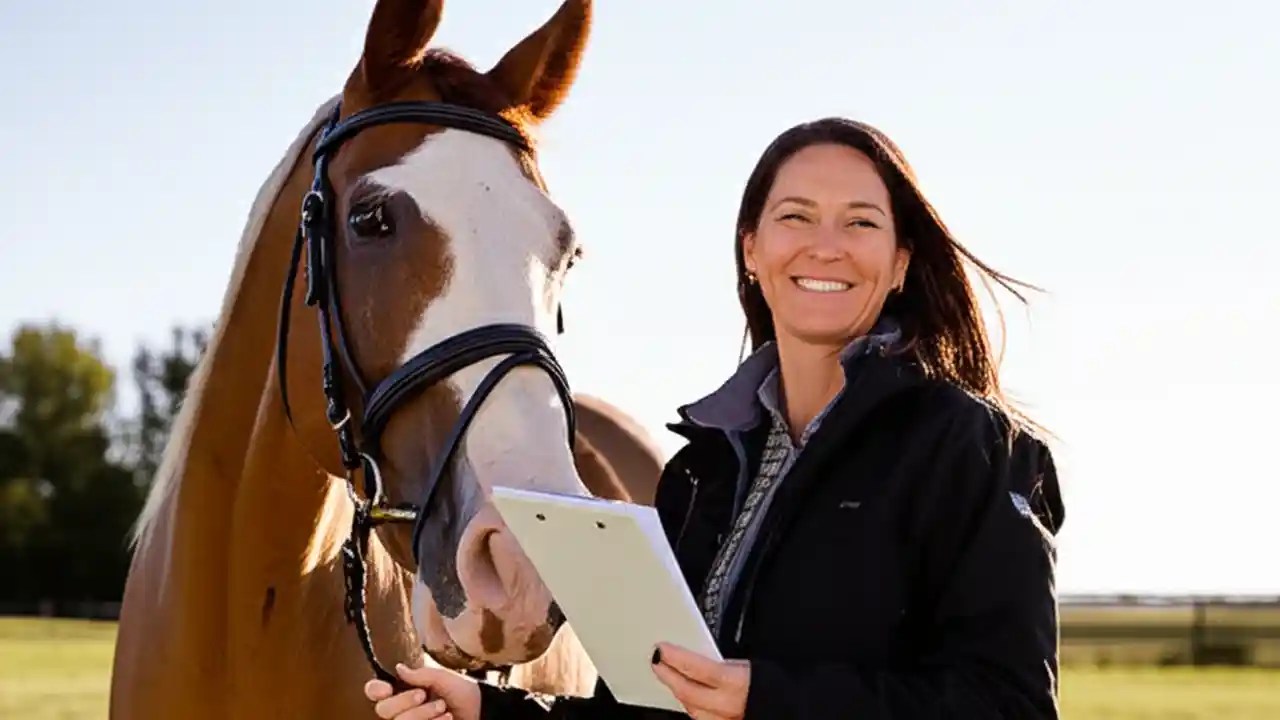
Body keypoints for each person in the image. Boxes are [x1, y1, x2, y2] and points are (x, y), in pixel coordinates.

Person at [364, 117, 1066, 720]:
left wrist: (767, 702)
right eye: (795, 216)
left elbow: (1009, 706)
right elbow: (648, 710)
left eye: (860, 222)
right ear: (752, 250)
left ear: (901, 261)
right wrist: (488, 710)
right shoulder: (701, 471)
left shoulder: (974, 449)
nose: (826, 245)